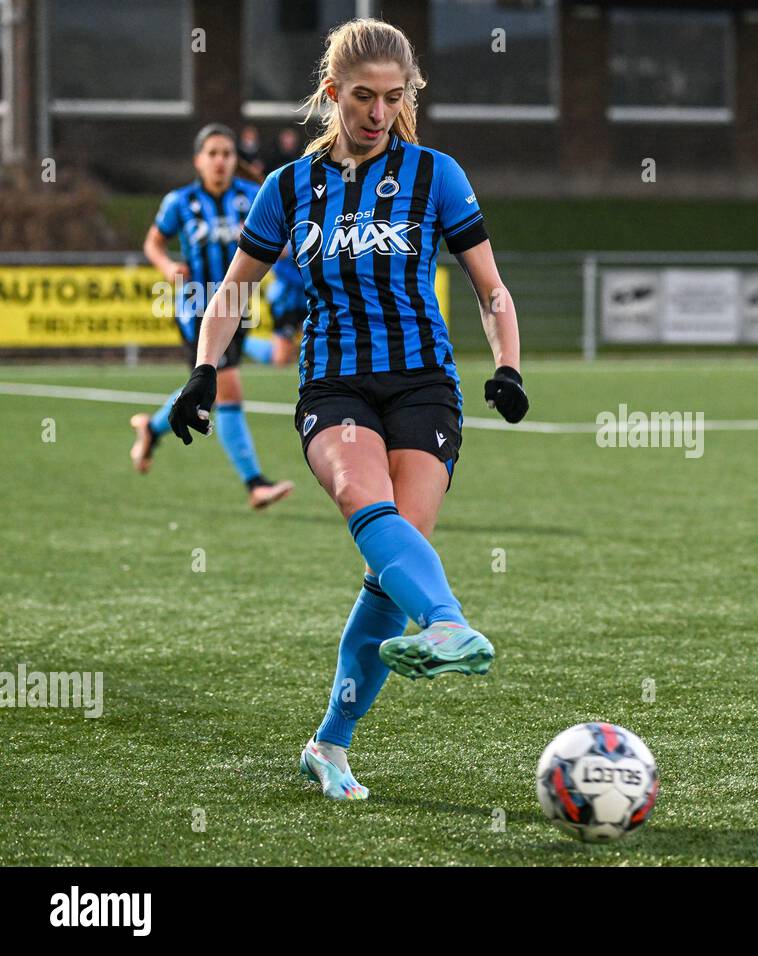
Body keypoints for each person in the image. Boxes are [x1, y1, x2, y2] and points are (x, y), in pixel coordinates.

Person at [166, 18, 529, 801]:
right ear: (332, 93)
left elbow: (490, 286)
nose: (377, 112)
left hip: (424, 383)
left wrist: (508, 364)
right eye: (362, 97)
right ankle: (449, 621)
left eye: (393, 98)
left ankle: (330, 744)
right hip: (334, 385)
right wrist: (204, 365)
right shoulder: (290, 186)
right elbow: (234, 288)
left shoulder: (437, 174)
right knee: (367, 501)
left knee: (388, 565)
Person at [131, 123, 294, 509]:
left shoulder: (251, 197)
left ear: (235, 160)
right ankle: (255, 484)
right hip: (196, 307)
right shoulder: (179, 202)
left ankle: (152, 429)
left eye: (227, 153)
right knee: (226, 386)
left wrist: (283, 250)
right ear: (198, 160)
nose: (220, 161)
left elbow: (281, 240)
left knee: (212, 388)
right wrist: (166, 265)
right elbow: (153, 242)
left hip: (237, 304)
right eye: (213, 154)